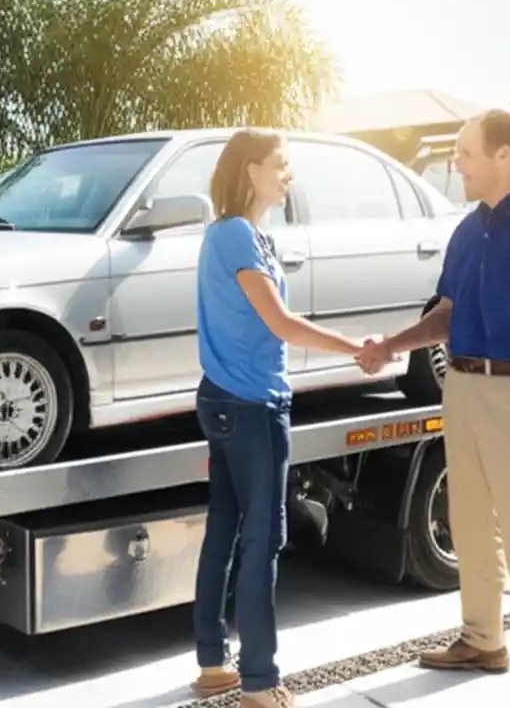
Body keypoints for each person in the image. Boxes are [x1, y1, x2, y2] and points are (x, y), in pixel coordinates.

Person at [357, 108, 510, 708]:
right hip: (462, 389)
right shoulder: (469, 229)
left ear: (503, 156)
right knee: (469, 527)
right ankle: (482, 639)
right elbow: (447, 312)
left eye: (465, 151)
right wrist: (391, 345)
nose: (455, 162)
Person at [190, 128, 364, 708]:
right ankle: (260, 684)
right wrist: (358, 350)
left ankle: (214, 662)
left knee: (225, 528)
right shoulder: (237, 234)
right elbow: (281, 323)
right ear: (251, 172)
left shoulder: (242, 235)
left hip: (224, 398)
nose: (289, 175)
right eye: (281, 165)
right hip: (252, 405)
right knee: (262, 538)